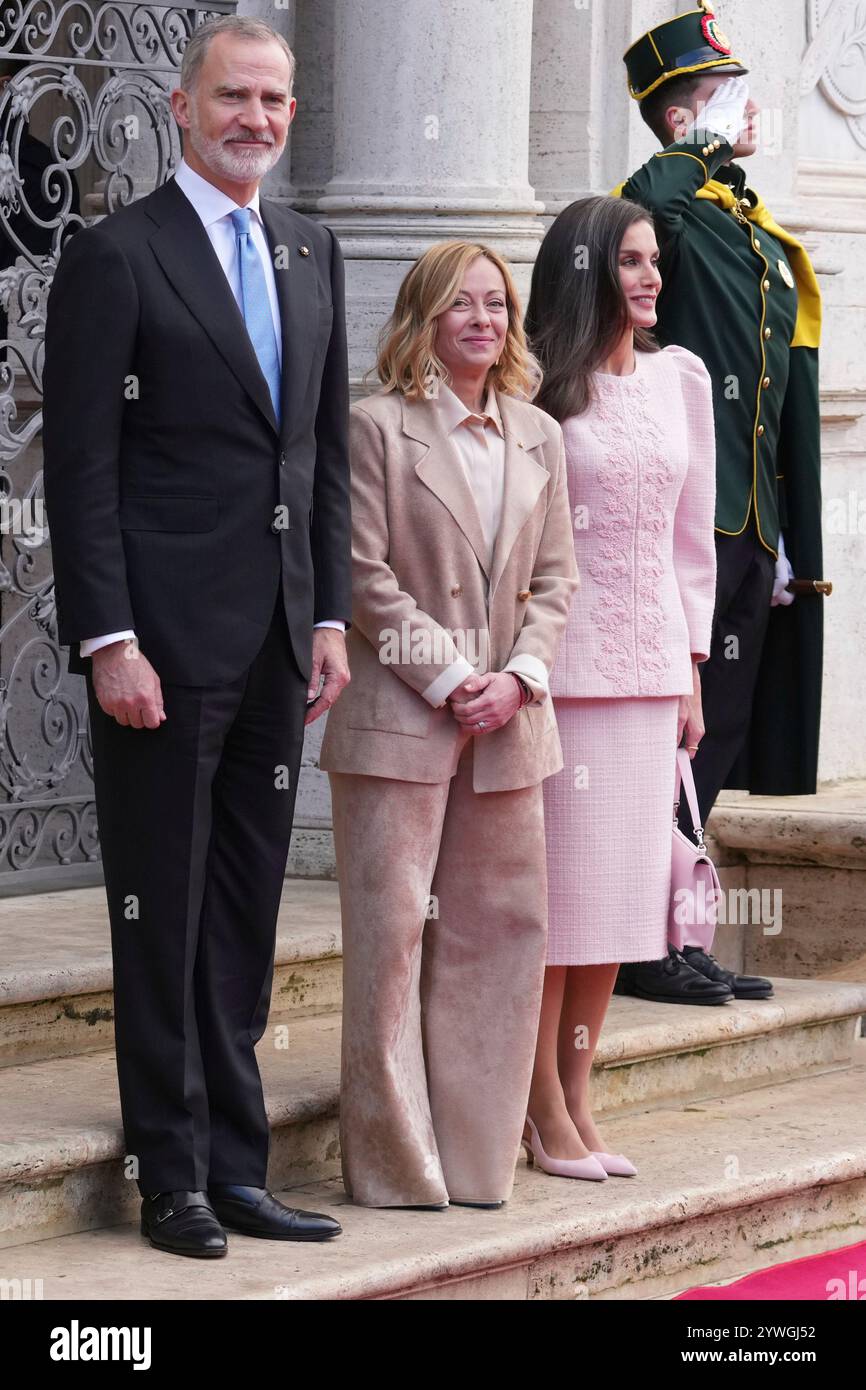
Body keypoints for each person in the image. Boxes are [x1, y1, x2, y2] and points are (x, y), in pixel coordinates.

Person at [42, 16, 351, 1258]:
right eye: (234, 97)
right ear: (181, 106)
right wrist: (108, 636)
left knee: (242, 916)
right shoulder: (117, 256)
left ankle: (238, 1164)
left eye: (275, 101)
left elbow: (318, 456)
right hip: (160, 654)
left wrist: (327, 612)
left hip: (278, 643)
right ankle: (166, 1173)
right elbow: (80, 466)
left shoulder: (309, 248)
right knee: (158, 916)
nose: (257, 119)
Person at [319, 239, 578, 1208]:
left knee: (498, 937)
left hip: (510, 721)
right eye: (460, 304)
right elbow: (361, 574)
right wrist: (454, 675)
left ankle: (477, 1163)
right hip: (400, 721)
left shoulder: (537, 434)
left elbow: (557, 578)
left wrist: (518, 675)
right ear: (422, 319)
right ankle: (396, 1169)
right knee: (389, 943)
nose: (482, 319)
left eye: (496, 304)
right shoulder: (374, 428)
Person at [613, 3, 825, 1004]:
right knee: (666, 733)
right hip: (680, 519)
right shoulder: (670, 210)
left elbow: (774, 390)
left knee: (718, 740)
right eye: (720, 93)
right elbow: (632, 201)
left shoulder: (747, 228)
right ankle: (632, 937)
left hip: (747, 526)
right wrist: (687, 138)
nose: (744, 111)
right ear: (679, 114)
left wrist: (787, 538)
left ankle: (680, 936)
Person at [520, 195, 717, 1179]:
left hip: (647, 679)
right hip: (560, 677)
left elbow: (692, 541)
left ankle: (578, 1096)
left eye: (651, 261)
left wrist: (688, 670)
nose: (646, 277)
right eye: (626, 261)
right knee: (554, 909)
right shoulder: (535, 394)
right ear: (583, 270)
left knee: (616, 911)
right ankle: (537, 1105)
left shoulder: (679, 380)